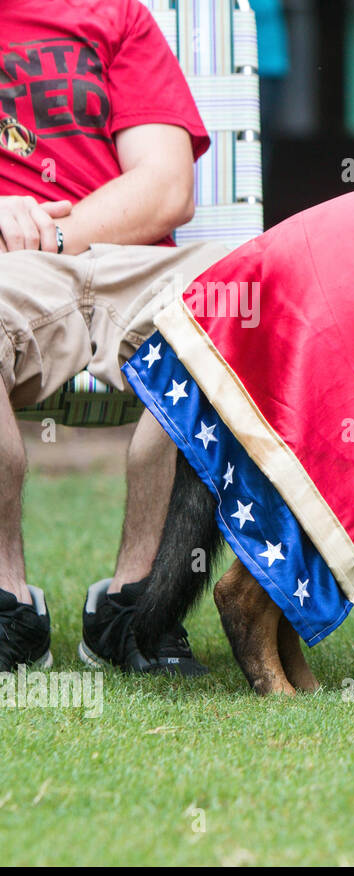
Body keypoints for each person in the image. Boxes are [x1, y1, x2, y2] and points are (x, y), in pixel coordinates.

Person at [0, 0, 230, 675]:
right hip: (8, 273)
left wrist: (58, 233)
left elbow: (166, 186)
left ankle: (138, 604)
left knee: (234, 299)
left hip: (129, 262)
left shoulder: (113, 14)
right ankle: (5, 602)